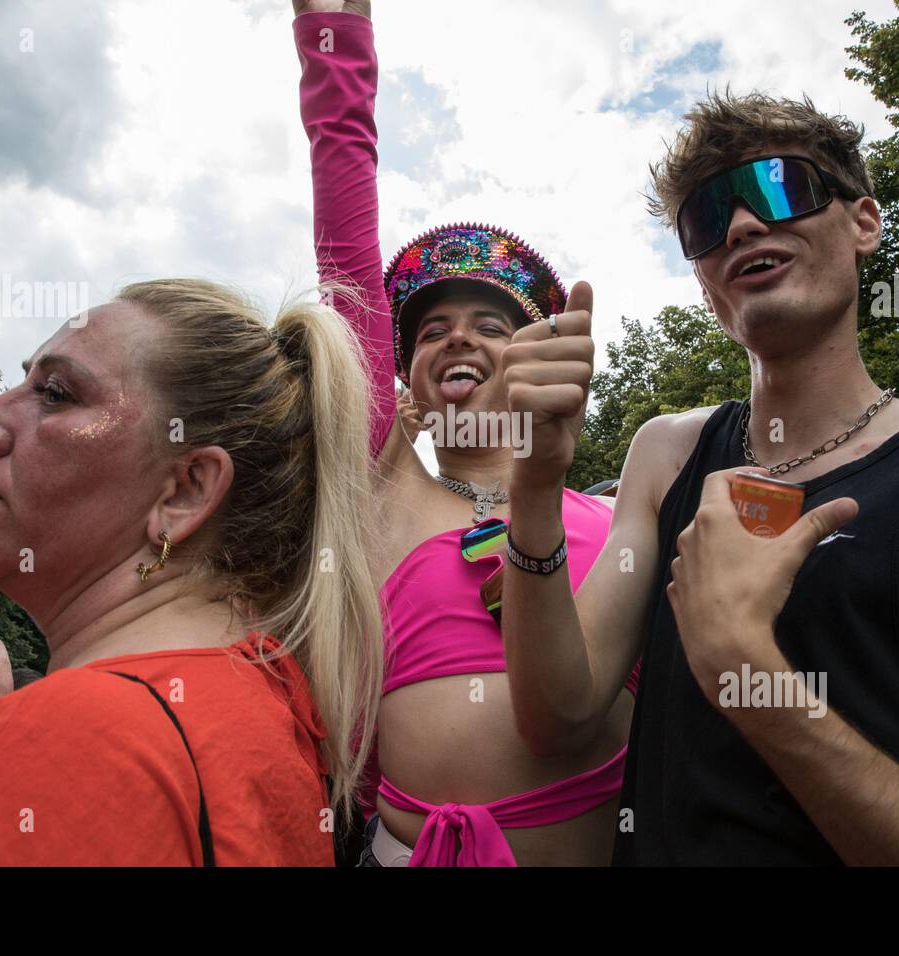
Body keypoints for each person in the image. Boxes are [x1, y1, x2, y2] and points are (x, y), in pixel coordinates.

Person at [500, 92, 899, 864]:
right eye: (707, 217)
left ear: (864, 222)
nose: (743, 225)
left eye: (781, 187)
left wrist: (750, 675)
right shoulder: (665, 455)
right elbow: (557, 716)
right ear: (704, 283)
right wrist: (535, 485)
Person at [0, 278, 382, 865]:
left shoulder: (87, 738)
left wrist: (4, 771)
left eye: (55, 394)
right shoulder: (257, 685)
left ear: (186, 491)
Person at [291, 0, 640, 865]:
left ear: (543, 357)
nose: (456, 335)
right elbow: (345, 257)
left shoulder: (631, 509)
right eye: (432, 327)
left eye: (492, 323)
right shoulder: (383, 488)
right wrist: (336, 39)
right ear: (401, 375)